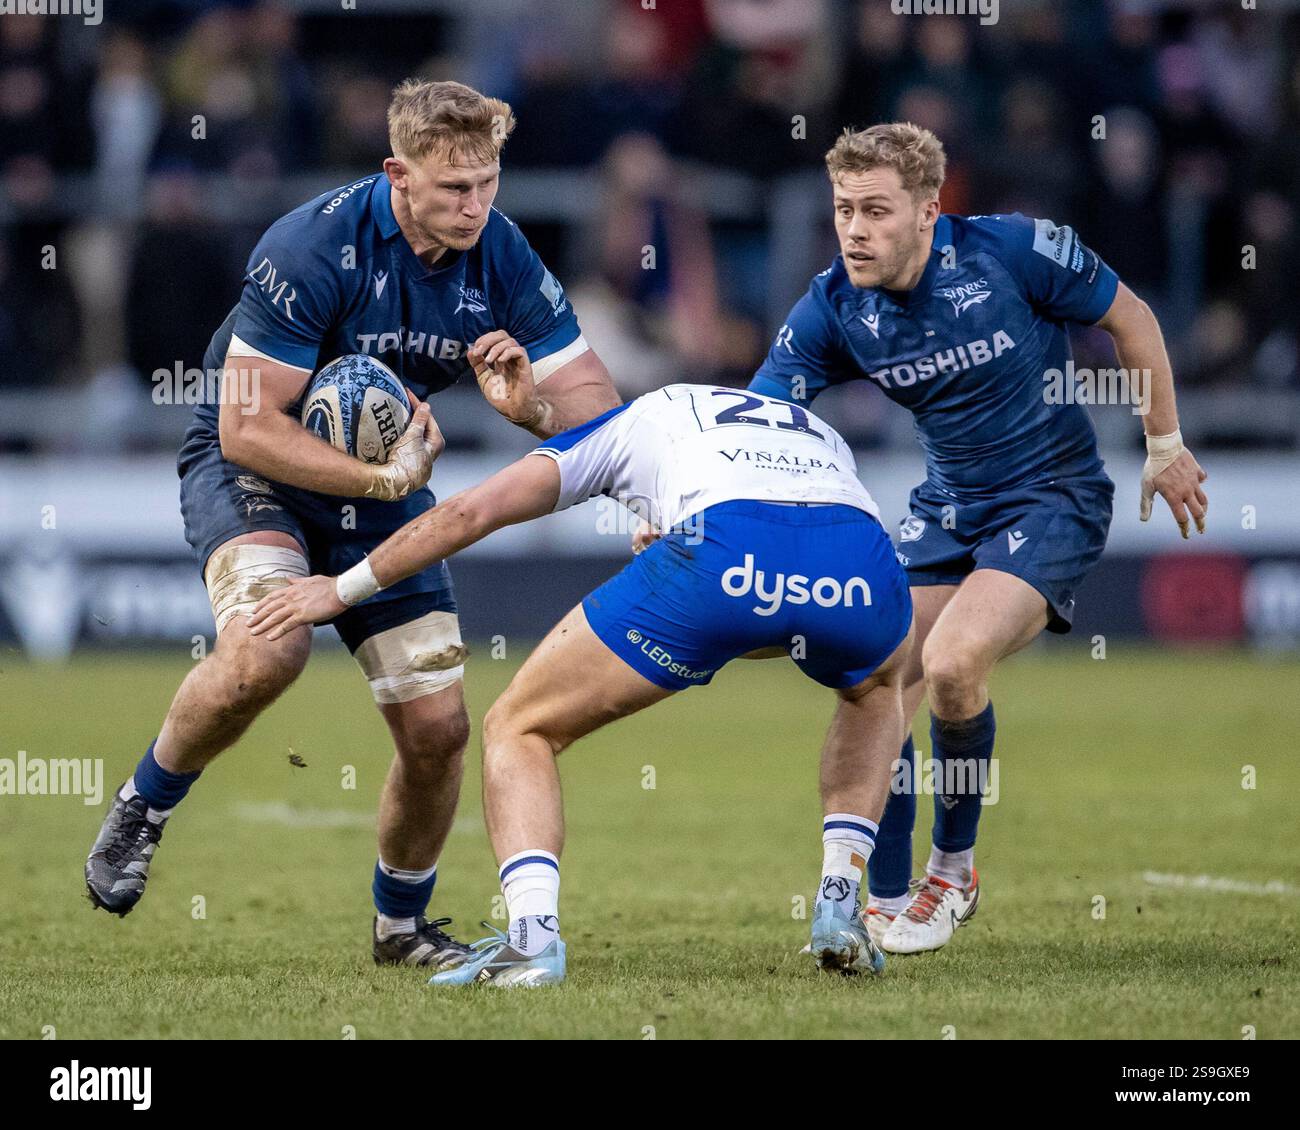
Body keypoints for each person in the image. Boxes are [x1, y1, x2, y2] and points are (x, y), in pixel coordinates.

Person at [84, 79, 620, 970]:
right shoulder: (312, 244)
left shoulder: (505, 254)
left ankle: (400, 930)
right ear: (396, 174)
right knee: (267, 652)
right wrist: (384, 474)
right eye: (454, 188)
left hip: (384, 478)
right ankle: (146, 803)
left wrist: (531, 410)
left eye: (488, 183)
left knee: (440, 730)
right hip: (252, 468)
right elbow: (245, 424)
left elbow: (600, 409)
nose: (476, 205)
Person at [247, 381, 915, 986]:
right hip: (861, 552)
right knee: (874, 688)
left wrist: (341, 588)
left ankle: (532, 942)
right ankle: (838, 904)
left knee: (521, 726)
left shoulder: (630, 423)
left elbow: (469, 515)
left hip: (723, 548)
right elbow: (790, 603)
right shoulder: (803, 423)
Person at [747, 122, 1208, 954]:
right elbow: (763, 418)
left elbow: (1131, 320)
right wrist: (692, 505)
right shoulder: (834, 307)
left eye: (877, 211)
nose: (855, 229)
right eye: (844, 209)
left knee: (955, 663)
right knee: (877, 677)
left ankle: (952, 872)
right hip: (946, 509)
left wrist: (1165, 444)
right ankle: (880, 899)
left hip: (1052, 498)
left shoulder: (1014, 252)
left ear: (929, 211)